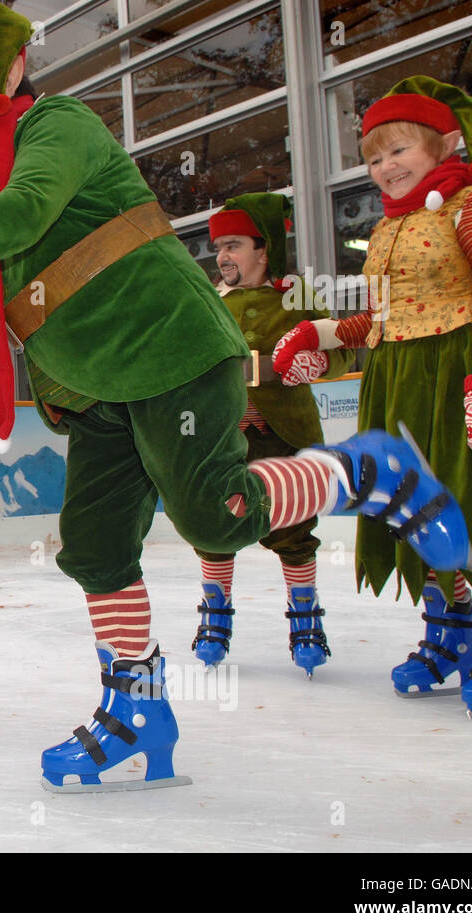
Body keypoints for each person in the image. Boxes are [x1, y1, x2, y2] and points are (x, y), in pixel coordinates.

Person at [0, 0, 472, 791]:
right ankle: (138, 708)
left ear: (5, 74)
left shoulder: (56, 131)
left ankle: (366, 469)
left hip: (171, 356)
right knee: (95, 547)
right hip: (98, 391)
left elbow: (17, 220)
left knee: (213, 515)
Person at [275, 76, 472, 718]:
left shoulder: (471, 207)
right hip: (397, 376)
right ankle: (448, 633)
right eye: (373, 157)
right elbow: (382, 320)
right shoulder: (388, 229)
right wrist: (323, 333)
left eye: (399, 150)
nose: (385, 168)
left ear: (444, 143)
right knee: (415, 504)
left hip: (463, 369)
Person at [190, 194, 350, 678]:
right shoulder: (209, 301)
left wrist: (319, 360)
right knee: (215, 527)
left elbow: (340, 343)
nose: (222, 256)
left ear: (263, 249)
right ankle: (216, 616)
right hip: (225, 439)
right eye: (218, 246)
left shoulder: (297, 296)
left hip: (284, 436)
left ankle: (305, 619)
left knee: (295, 532)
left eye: (234, 245)